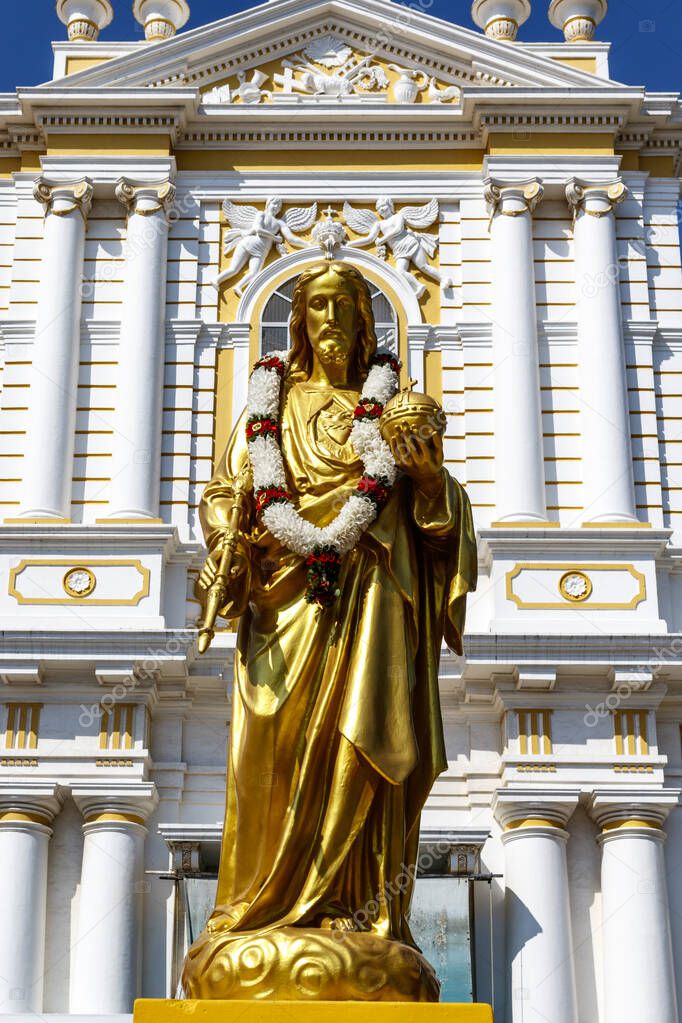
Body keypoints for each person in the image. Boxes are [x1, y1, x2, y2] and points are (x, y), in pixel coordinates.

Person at [183, 261, 477, 1001]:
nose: (329, 320)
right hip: (285, 602)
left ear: (365, 321)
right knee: (269, 755)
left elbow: (443, 526)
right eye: (315, 306)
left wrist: (431, 480)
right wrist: (230, 533)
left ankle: (360, 909)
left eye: (343, 307)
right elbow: (230, 490)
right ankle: (259, 908)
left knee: (365, 746)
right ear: (298, 321)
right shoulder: (270, 411)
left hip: (376, 595)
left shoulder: (389, 416)